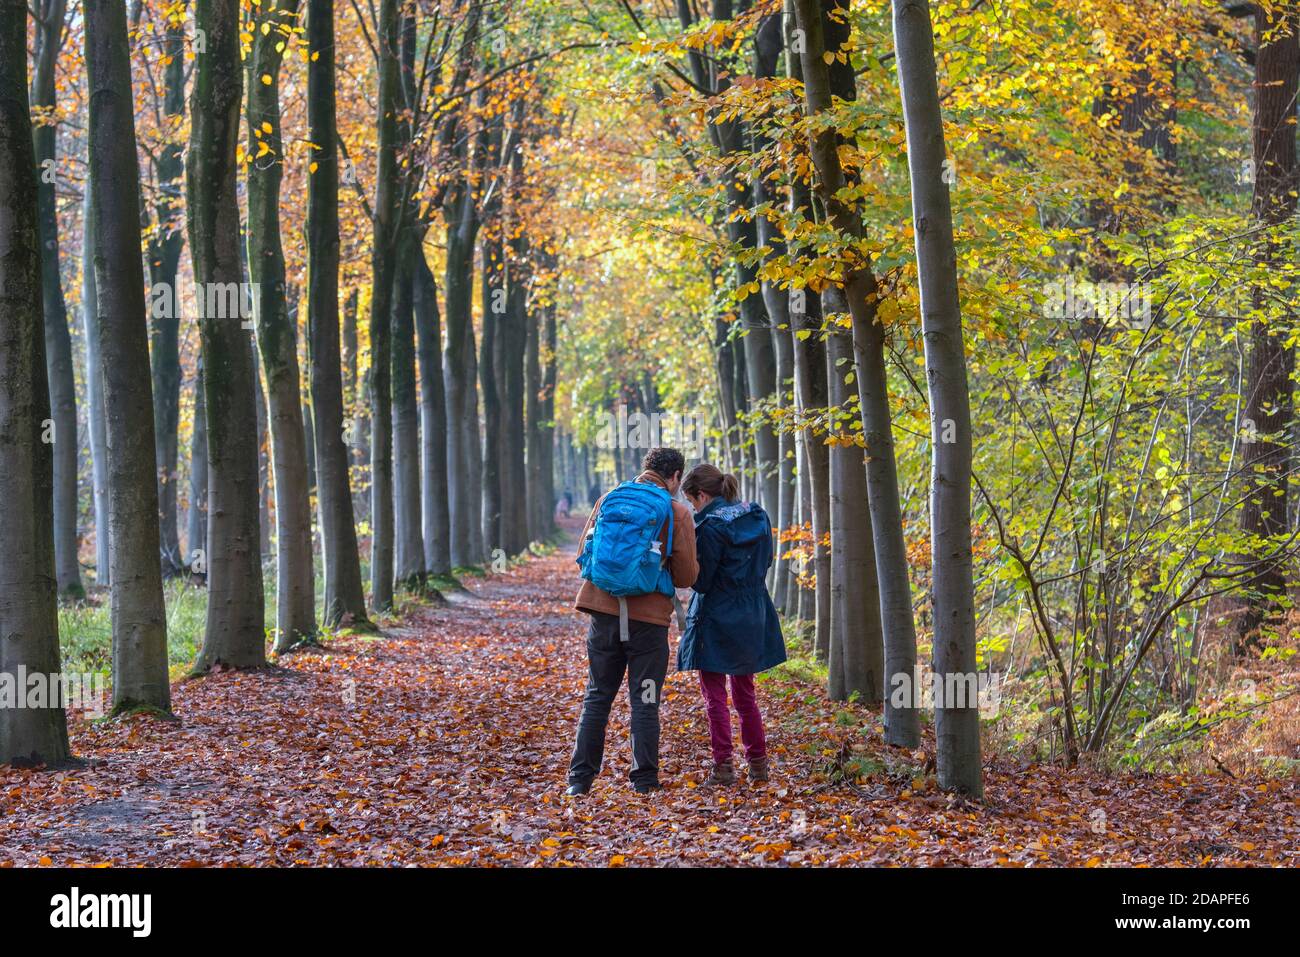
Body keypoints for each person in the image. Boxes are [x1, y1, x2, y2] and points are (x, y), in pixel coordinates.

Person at [568, 448, 698, 795]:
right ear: (675, 477)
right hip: (649, 621)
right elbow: (686, 576)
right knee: (645, 699)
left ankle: (579, 781)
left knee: (597, 695)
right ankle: (644, 781)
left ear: (646, 469)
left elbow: (584, 554)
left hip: (603, 614)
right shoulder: (676, 512)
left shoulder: (608, 499)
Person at [678, 463, 785, 786]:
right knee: (745, 694)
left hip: (716, 615)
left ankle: (723, 767)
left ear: (701, 494)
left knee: (714, 697)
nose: (693, 509)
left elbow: (703, 581)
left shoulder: (710, 527)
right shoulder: (757, 515)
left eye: (692, 502)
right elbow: (766, 560)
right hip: (753, 611)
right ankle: (758, 765)